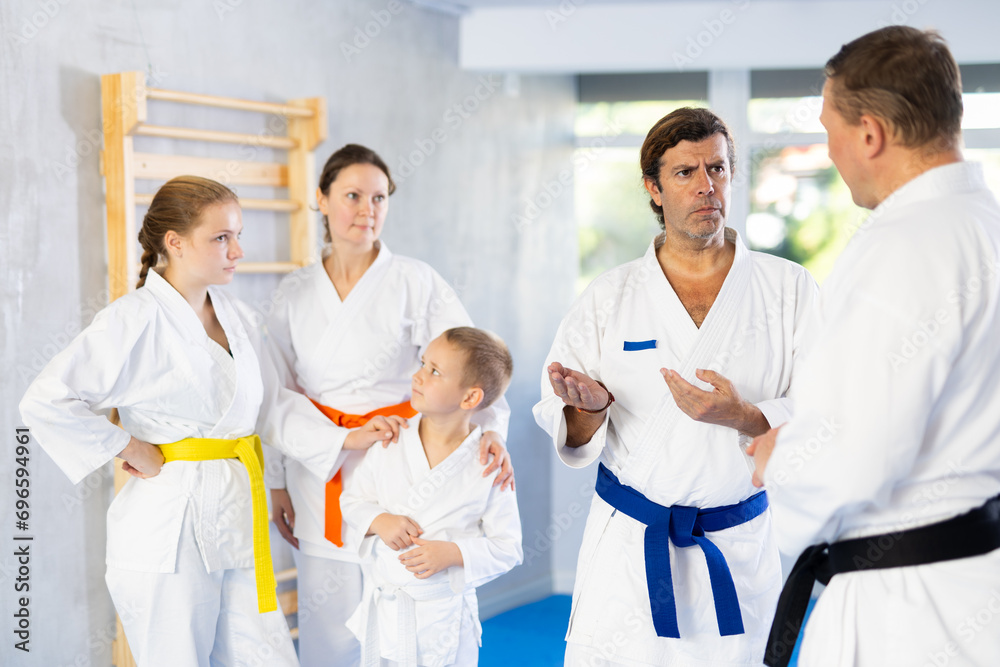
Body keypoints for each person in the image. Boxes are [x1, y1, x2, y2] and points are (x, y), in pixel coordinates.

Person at [18, 176, 404, 666]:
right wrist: (127, 447)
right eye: (221, 238)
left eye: (237, 235)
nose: (237, 250)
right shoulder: (132, 319)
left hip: (237, 514)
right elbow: (46, 399)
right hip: (167, 529)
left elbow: (269, 408)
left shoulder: (239, 316)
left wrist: (346, 436)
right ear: (174, 243)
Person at [748, 26, 1000, 667]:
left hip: (908, 611)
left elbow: (853, 452)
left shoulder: (905, 244)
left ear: (869, 134)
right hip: (969, 580)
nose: (829, 152)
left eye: (831, 130)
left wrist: (779, 459)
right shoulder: (983, 225)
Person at [533, 107, 818, 666]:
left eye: (717, 169)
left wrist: (746, 416)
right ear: (654, 188)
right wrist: (588, 409)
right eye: (685, 173)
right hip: (631, 548)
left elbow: (829, 403)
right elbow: (560, 413)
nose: (706, 186)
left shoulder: (788, 288)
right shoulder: (609, 296)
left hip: (736, 543)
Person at [264, 144, 513, 666]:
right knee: (329, 618)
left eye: (379, 198)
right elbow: (277, 394)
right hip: (322, 465)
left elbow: (470, 363)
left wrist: (490, 431)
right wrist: (278, 479)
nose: (367, 210)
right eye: (352, 195)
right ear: (322, 199)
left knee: (408, 606)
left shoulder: (415, 281)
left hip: (403, 456)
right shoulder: (293, 292)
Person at [340, 327, 523, 666]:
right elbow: (352, 501)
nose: (418, 376)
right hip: (387, 615)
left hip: (445, 625)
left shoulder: (489, 465)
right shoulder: (390, 440)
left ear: (469, 398)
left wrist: (454, 553)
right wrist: (378, 520)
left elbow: (508, 548)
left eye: (434, 371)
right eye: (423, 363)